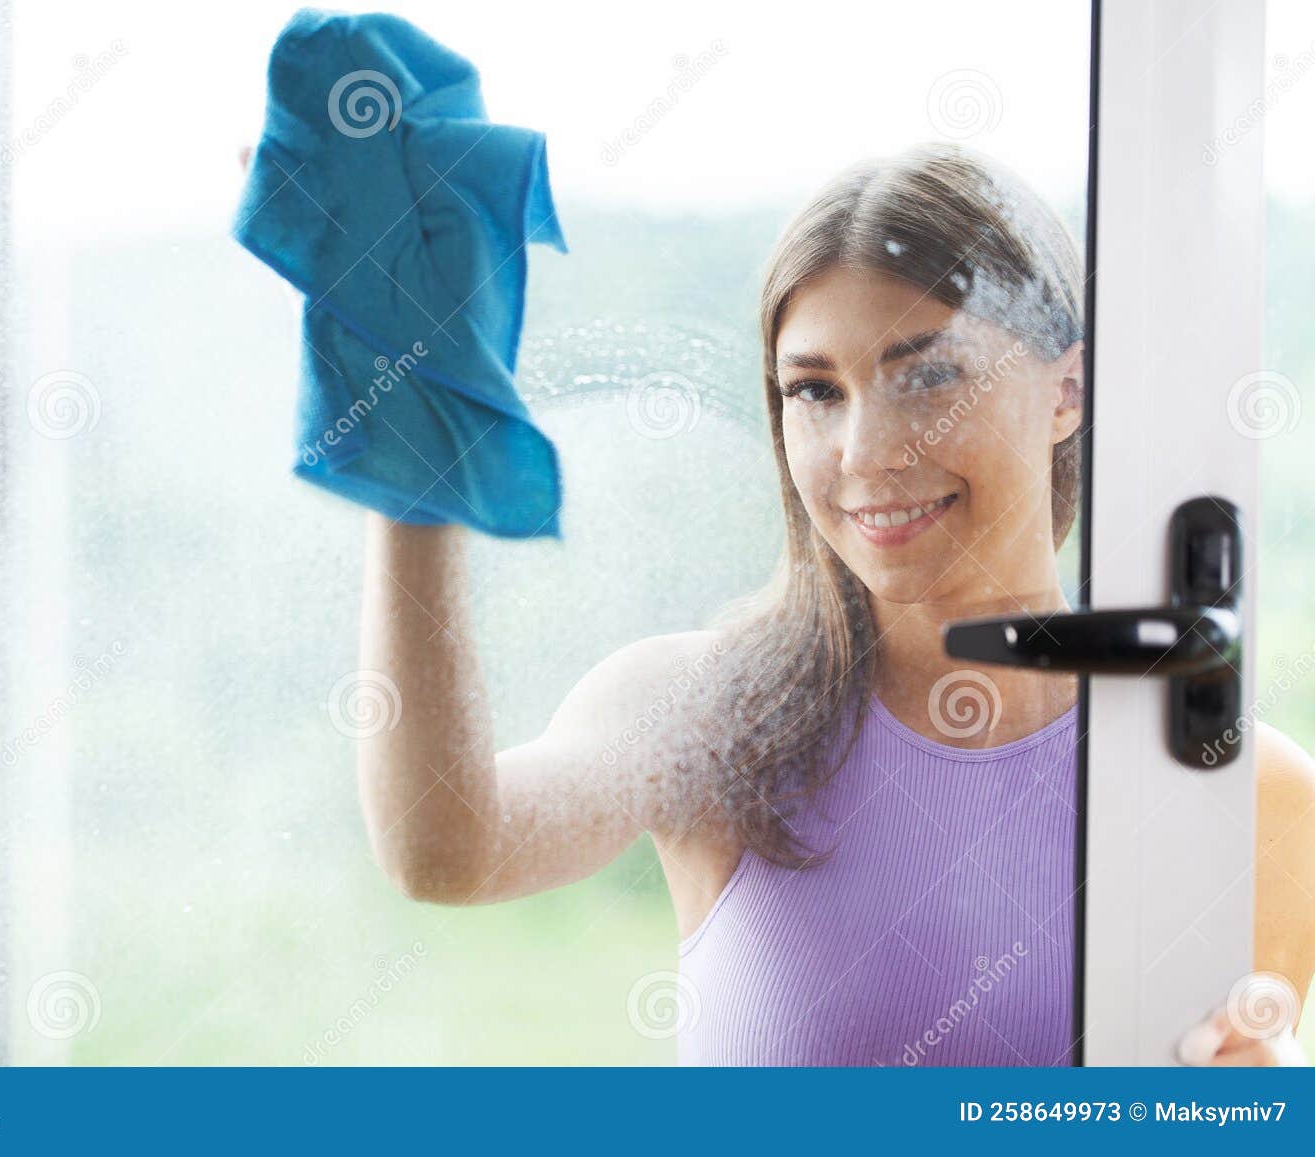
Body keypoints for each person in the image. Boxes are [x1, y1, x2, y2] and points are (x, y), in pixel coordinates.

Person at [249, 140, 1315, 1065]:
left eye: (928, 375)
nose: (864, 452)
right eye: (814, 390)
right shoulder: (704, 715)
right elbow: (445, 846)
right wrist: (415, 463)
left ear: (1067, 391)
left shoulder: (1244, 797)